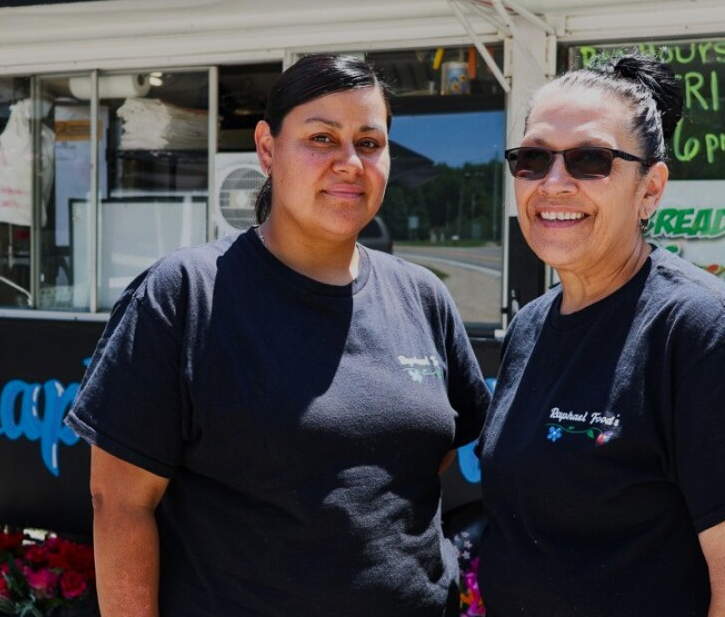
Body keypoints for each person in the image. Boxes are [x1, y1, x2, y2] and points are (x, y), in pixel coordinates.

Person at [64, 54, 490, 617]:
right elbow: (118, 505)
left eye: (369, 142)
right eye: (321, 138)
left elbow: (420, 457)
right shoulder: (187, 294)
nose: (349, 163)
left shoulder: (422, 296)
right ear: (267, 149)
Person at [476, 53, 725, 616]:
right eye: (532, 159)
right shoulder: (532, 325)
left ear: (650, 189)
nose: (553, 183)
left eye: (591, 160)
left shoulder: (703, 333)